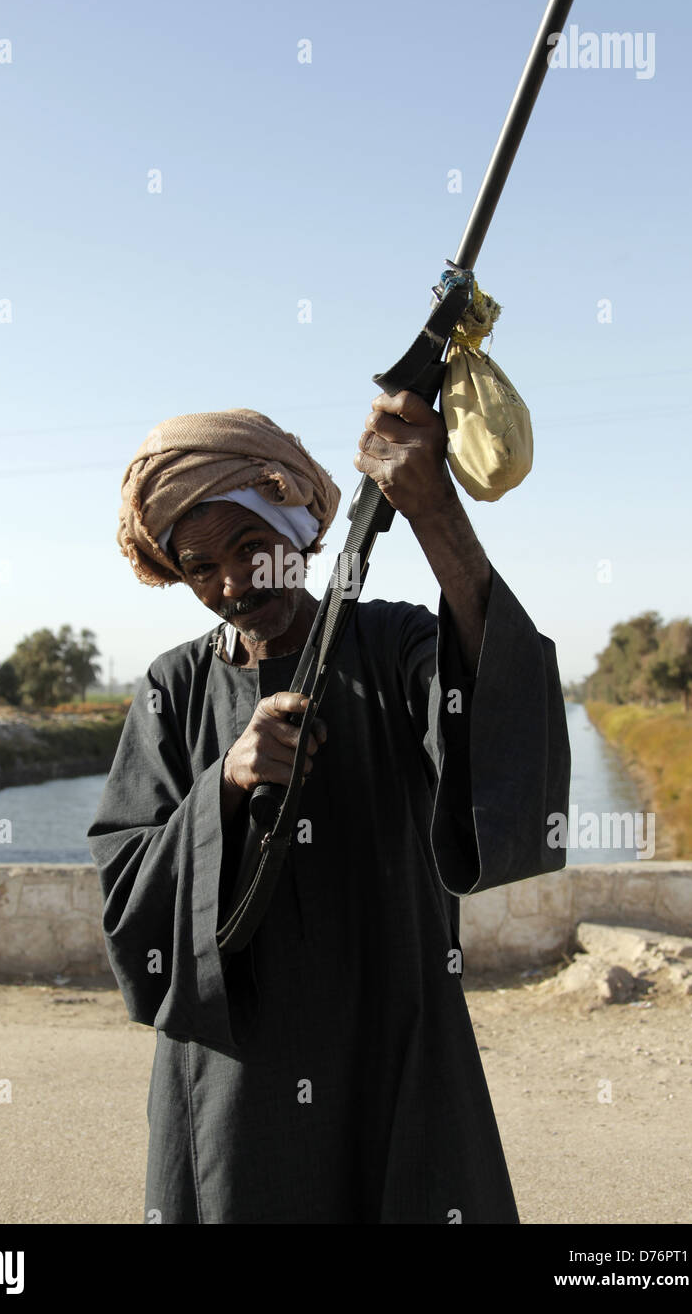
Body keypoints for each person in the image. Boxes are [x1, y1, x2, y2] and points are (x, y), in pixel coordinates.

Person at [87, 391, 570, 1224]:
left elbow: (499, 707)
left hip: (395, 1051)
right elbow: (129, 903)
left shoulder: (390, 646)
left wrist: (435, 513)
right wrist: (226, 786)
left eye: (251, 545)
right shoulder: (174, 688)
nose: (234, 582)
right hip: (236, 1085)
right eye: (201, 566)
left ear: (302, 529)